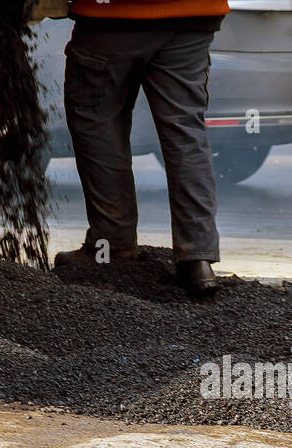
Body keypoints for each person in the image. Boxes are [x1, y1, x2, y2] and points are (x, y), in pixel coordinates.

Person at [54, 0, 229, 296]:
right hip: (194, 13)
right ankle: (197, 259)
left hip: (113, 16)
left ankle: (111, 247)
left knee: (97, 122)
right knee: (185, 131)